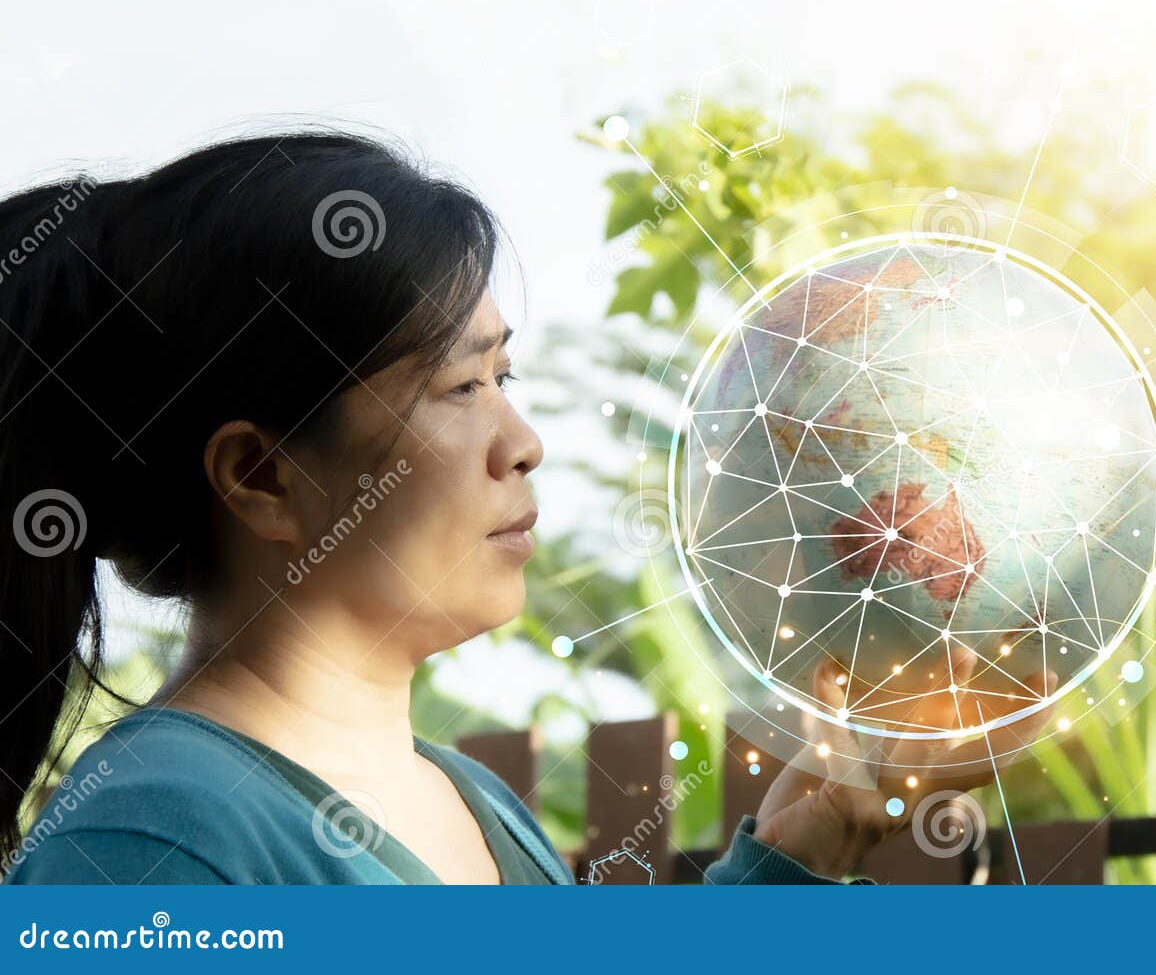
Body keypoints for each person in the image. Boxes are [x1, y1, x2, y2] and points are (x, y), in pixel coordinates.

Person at [0, 133, 1048, 885]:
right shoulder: (152, 849)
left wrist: (794, 858)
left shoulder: (467, 795)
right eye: (460, 388)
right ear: (263, 477)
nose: (523, 442)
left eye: (509, 377)